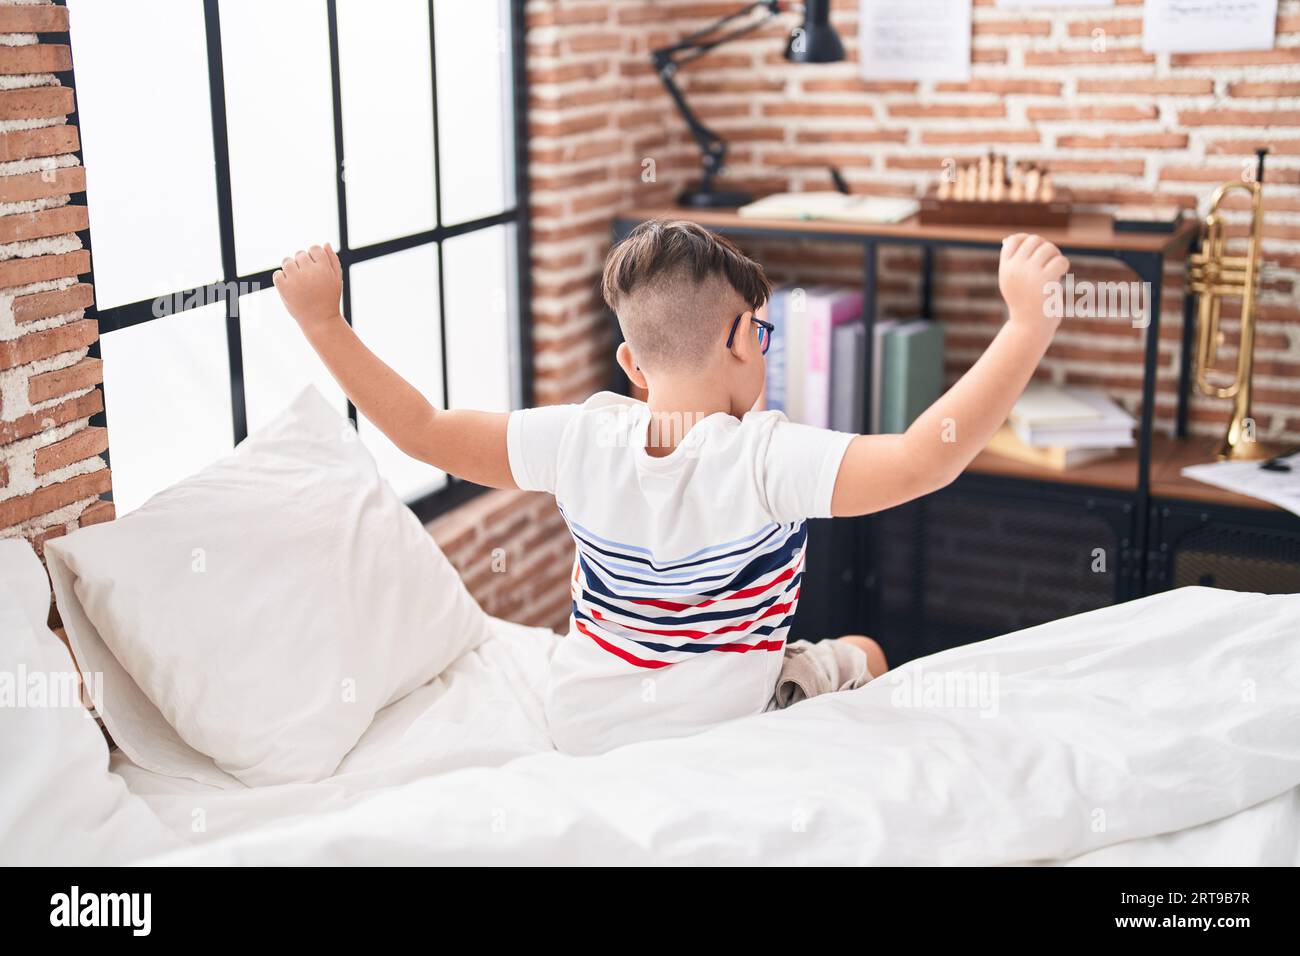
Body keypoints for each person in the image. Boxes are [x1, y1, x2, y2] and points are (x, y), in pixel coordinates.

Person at [273, 219, 1068, 755]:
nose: (764, 353)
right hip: (728, 724)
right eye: (761, 334)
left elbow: (422, 430)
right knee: (865, 650)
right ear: (737, 340)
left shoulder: (578, 436)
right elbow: (925, 459)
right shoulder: (765, 456)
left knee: (833, 653)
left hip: (581, 724)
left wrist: (323, 323)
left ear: (631, 368)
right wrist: (1025, 325)